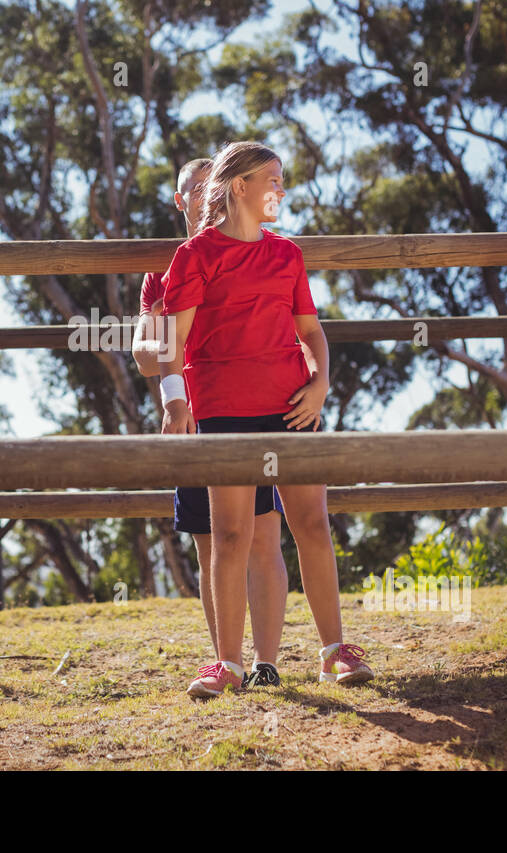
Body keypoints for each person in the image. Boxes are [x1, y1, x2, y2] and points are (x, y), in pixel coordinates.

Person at [158, 141, 374, 697]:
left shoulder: (288, 254)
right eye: (272, 179)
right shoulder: (195, 255)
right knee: (230, 534)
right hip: (222, 412)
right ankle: (227, 664)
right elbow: (172, 342)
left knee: (312, 526)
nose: (280, 189)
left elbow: (312, 332)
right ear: (240, 187)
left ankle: (334, 652)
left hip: (292, 410)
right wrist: (174, 401)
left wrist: (321, 384)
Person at [133, 158, 288, 687]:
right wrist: (183, 347)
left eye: (213, 186)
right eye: (195, 190)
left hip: (249, 412)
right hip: (195, 419)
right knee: (211, 539)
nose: (206, 196)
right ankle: (228, 661)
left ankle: (267, 663)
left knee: (264, 534)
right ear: (180, 200)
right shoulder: (163, 271)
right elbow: (143, 354)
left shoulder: (258, 251)